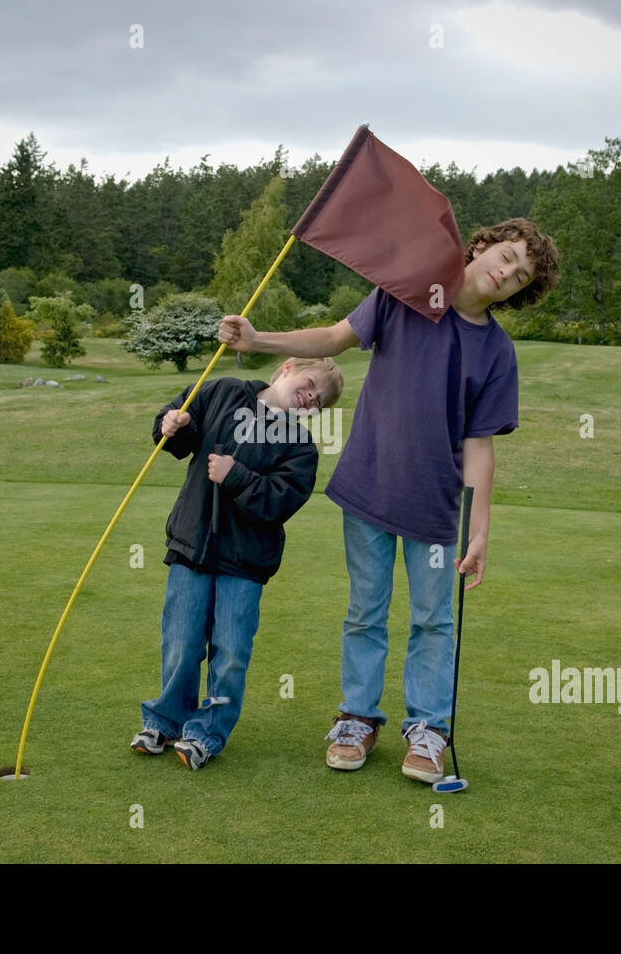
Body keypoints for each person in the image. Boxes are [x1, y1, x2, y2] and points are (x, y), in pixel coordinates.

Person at [218, 218, 559, 783]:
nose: (507, 274)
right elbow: (333, 339)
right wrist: (258, 341)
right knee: (364, 613)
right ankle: (357, 719)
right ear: (480, 246)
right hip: (368, 488)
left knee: (433, 620)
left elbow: (480, 446)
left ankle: (428, 731)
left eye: (520, 276)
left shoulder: (497, 352)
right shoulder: (405, 293)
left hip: (434, 506)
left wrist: (481, 528)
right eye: (505, 256)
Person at [132, 357, 344, 769]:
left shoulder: (300, 447)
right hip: (192, 544)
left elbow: (278, 501)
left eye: (319, 401)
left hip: (246, 561)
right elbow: (177, 432)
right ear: (287, 368)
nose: (310, 398)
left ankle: (206, 732)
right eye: (310, 384)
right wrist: (170, 424)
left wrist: (235, 475)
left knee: (229, 652)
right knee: (181, 640)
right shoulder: (222, 390)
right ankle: (165, 719)